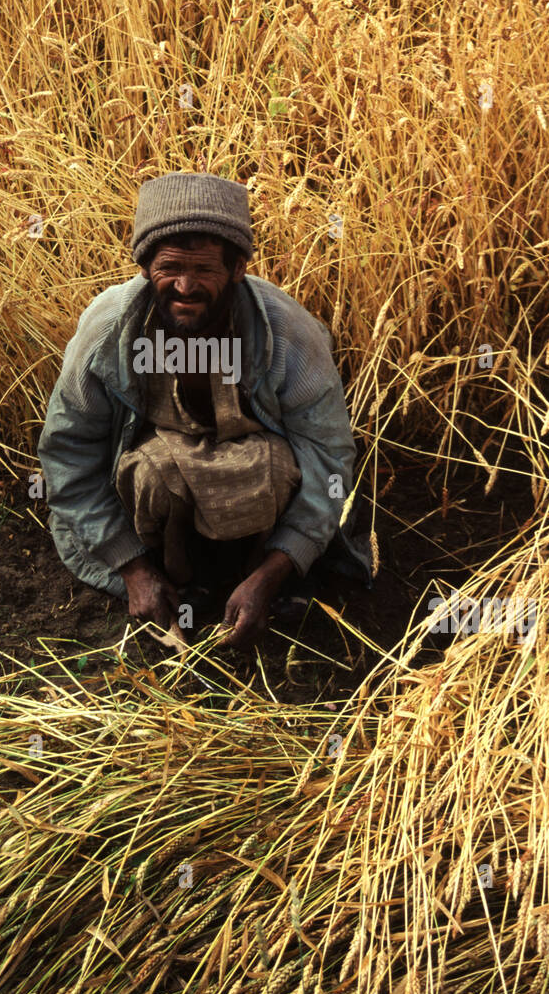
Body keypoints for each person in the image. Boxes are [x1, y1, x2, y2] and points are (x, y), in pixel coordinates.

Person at [38, 172, 371, 649]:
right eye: (169, 268)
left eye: (204, 271)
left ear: (237, 269)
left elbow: (329, 459)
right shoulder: (110, 331)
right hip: (154, 509)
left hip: (263, 505)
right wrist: (131, 569)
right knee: (153, 473)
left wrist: (277, 570)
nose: (185, 286)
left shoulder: (286, 334)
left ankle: (255, 575)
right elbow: (68, 454)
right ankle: (173, 579)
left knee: (276, 468)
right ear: (144, 266)